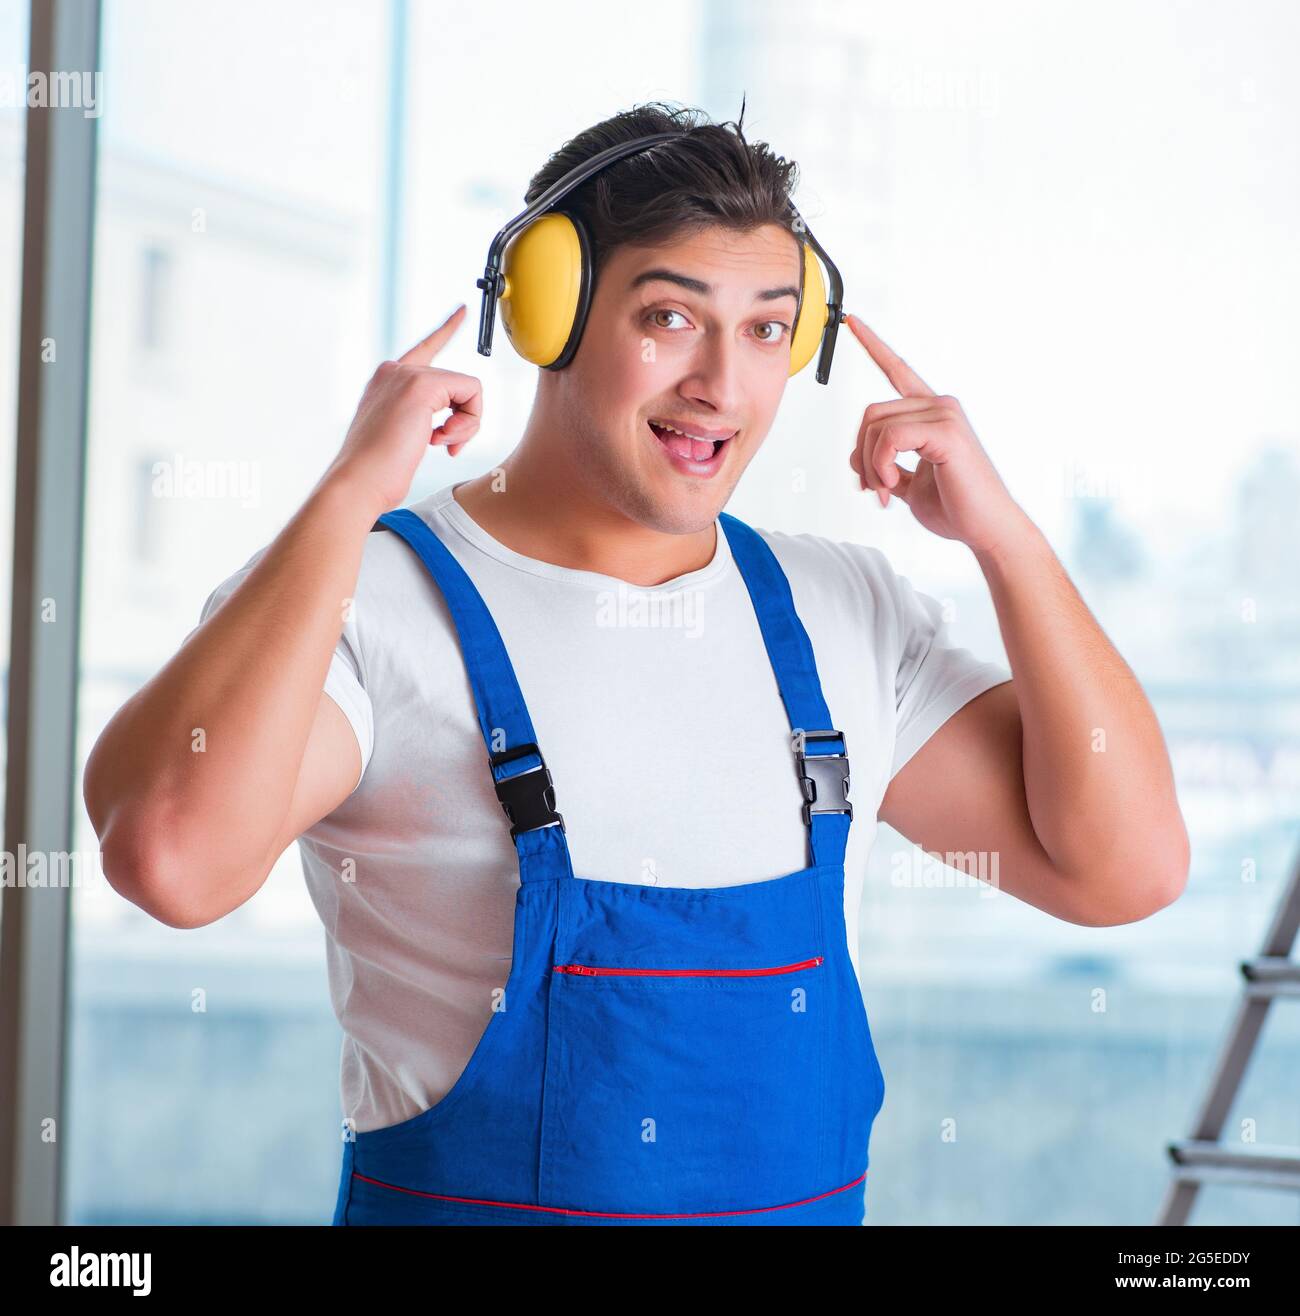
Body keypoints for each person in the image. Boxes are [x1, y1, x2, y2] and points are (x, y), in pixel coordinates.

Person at [83, 101, 1189, 1226]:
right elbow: (174, 862)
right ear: (546, 314)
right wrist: (343, 500)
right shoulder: (367, 599)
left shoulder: (837, 611)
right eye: (669, 316)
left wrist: (1007, 539)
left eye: (766, 329)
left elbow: (1124, 869)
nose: (722, 383)